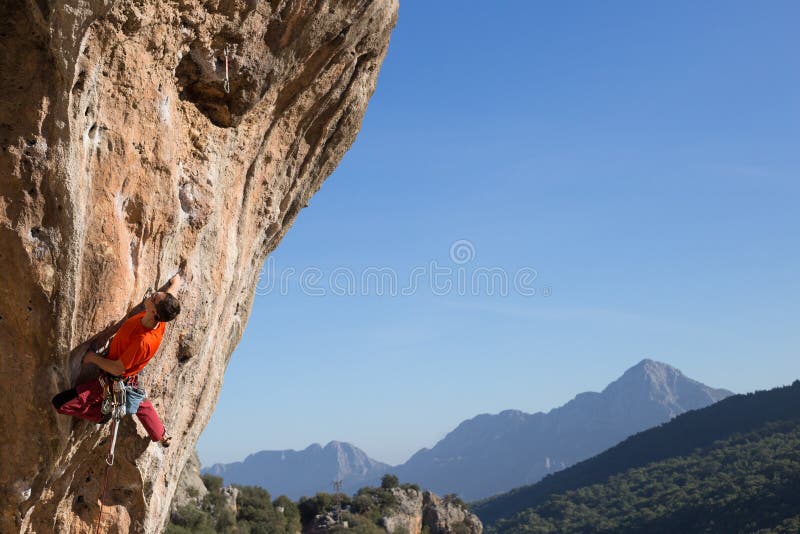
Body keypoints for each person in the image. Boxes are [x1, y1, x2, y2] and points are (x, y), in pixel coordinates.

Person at [52, 274, 182, 447]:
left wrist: (93, 358)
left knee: (61, 404)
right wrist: (175, 285)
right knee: (138, 400)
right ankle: (161, 435)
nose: (153, 294)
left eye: (154, 297)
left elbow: (116, 369)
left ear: (154, 312)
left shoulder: (142, 341)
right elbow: (169, 302)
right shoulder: (160, 318)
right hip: (129, 377)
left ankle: (101, 415)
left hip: (112, 380)